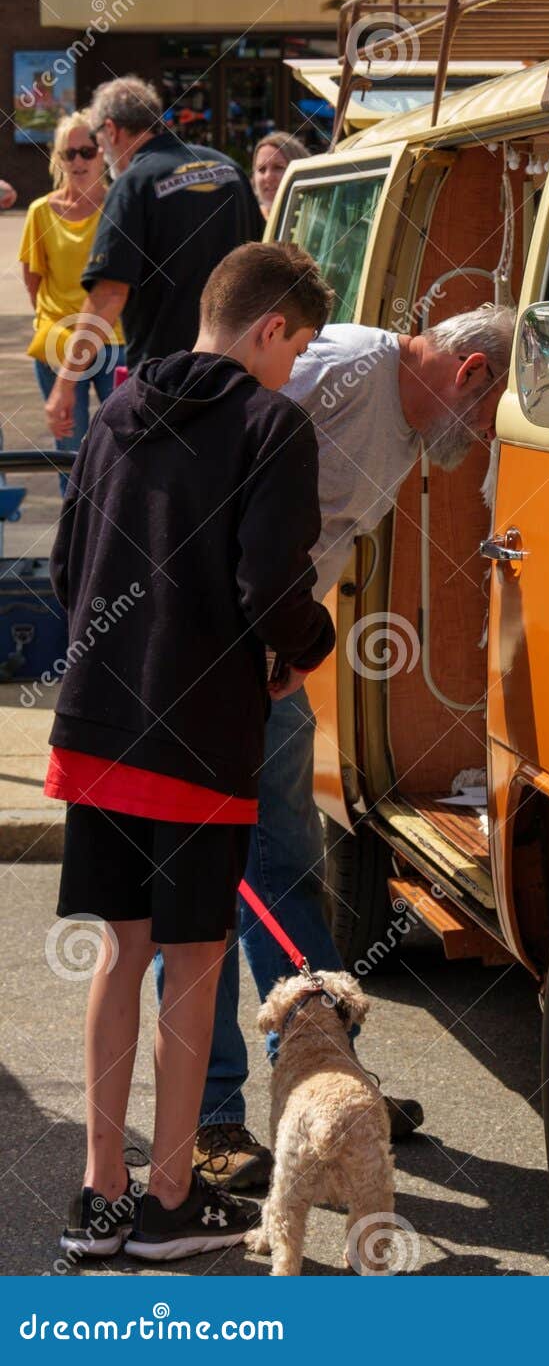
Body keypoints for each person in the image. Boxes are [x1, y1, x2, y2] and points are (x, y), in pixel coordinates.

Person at [47, 242, 335, 1263]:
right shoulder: (272, 424)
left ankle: (99, 1194)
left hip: (97, 721)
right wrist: (309, 647)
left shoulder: (118, 405)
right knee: (198, 962)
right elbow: (271, 582)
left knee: (122, 951)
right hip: (199, 730)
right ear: (270, 327)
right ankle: (169, 1201)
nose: (294, 367)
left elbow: (67, 562)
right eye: (296, 347)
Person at [193, 301, 515, 1192]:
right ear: (471, 374)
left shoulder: (411, 415)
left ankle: (329, 1084)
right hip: (221, 656)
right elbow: (211, 474)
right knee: (209, 892)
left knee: (282, 869)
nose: (484, 440)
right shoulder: (339, 372)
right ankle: (213, 1122)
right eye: (491, 417)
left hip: (270, 661)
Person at [44, 75, 262, 441]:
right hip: (241, 378)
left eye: (96, 143)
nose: (100, 153)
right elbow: (263, 261)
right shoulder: (229, 170)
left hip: (169, 384)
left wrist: (65, 383)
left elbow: (108, 295)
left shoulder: (134, 185)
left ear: (111, 130)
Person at [19, 110, 124, 486]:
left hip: (115, 343)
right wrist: (56, 327)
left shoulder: (121, 207)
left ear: (102, 153)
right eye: (69, 153)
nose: (78, 160)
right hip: (58, 345)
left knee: (126, 451)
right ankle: (73, 540)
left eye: (87, 150)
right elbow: (34, 282)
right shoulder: (39, 212)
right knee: (71, 458)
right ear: (57, 159)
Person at [251, 131, 309, 221]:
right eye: (262, 169)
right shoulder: (246, 221)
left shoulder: (315, 223)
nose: (268, 177)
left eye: (278, 167)